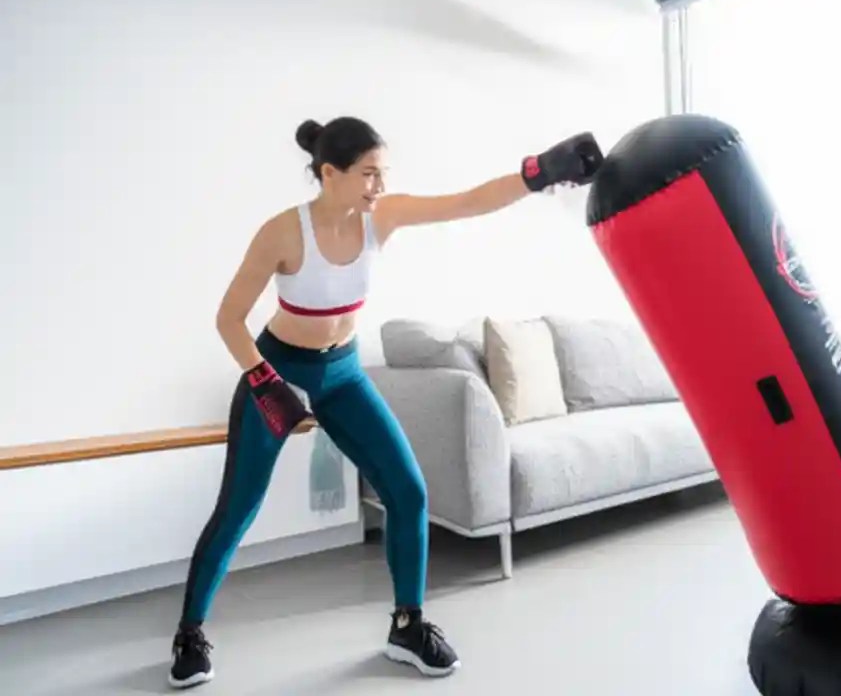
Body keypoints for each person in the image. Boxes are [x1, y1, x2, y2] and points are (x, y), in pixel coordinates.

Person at [167, 116, 602, 689]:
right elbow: (228, 320)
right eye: (368, 173)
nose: (378, 185)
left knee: (408, 490)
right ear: (330, 174)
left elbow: (465, 203)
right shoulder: (283, 232)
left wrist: (537, 174)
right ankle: (190, 634)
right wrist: (264, 380)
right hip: (279, 369)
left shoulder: (382, 218)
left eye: (383, 173)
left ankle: (407, 624)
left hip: (342, 374)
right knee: (238, 509)